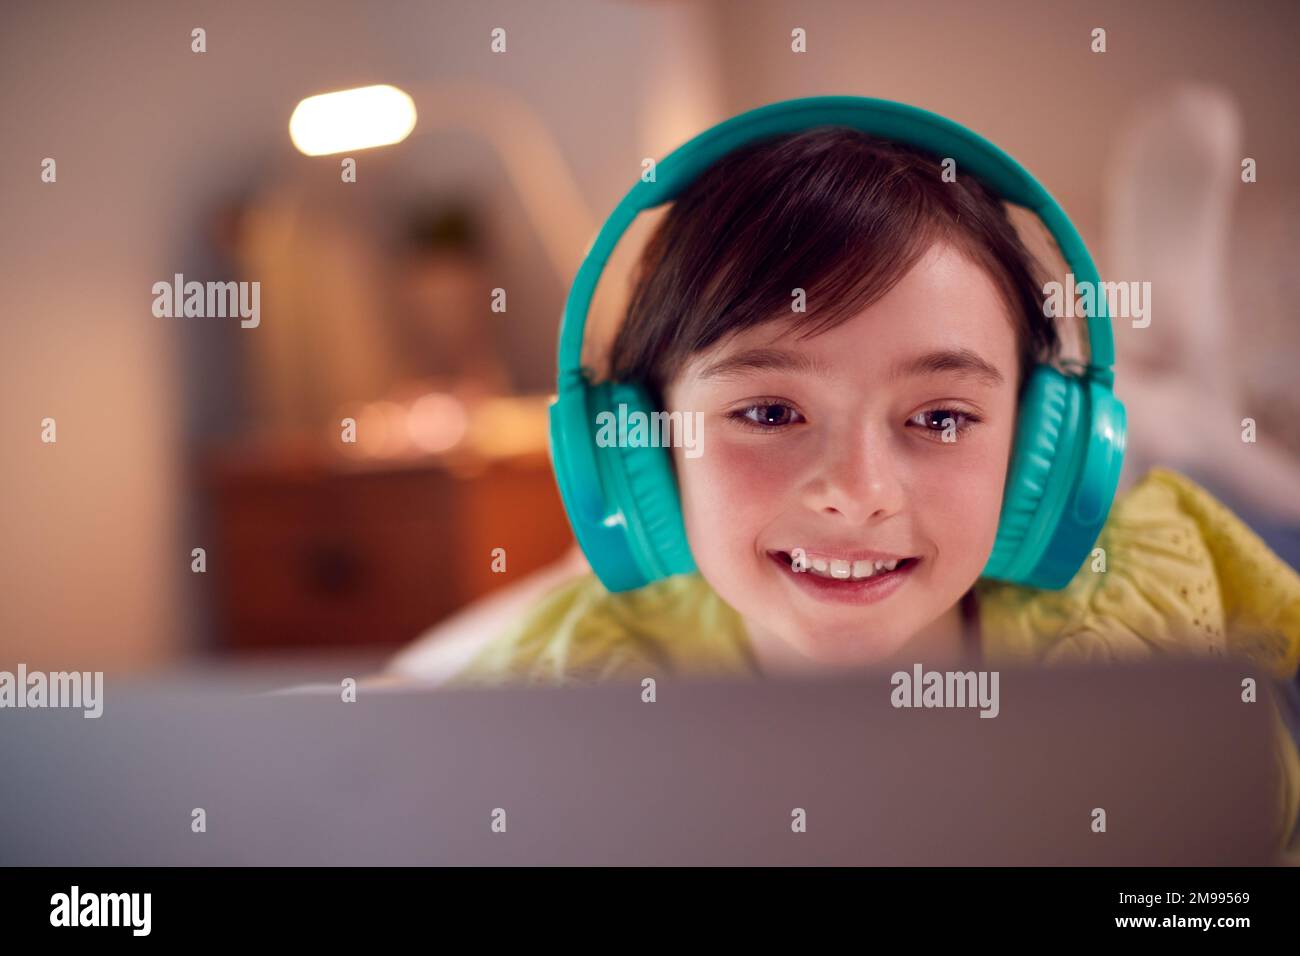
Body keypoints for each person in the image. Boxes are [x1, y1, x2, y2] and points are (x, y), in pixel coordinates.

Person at [442, 125, 1300, 853]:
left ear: (1048, 445)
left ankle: (1172, 361)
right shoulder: (576, 685)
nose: (858, 494)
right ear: (638, 447)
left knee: (1194, 434)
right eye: (772, 411)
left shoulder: (1137, 630)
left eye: (941, 418)